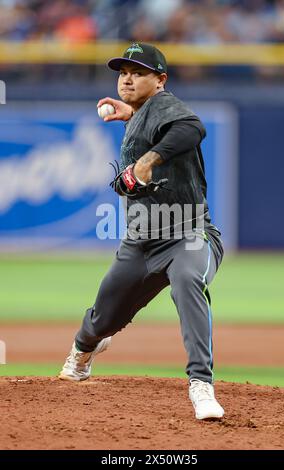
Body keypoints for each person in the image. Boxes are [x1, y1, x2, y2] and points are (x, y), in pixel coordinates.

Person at [59, 43, 225, 420]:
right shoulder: (143, 111)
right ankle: (83, 352)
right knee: (102, 318)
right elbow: (155, 124)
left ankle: (201, 384)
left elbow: (192, 128)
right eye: (122, 72)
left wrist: (148, 160)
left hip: (188, 234)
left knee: (187, 281)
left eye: (138, 71)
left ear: (161, 79)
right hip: (139, 244)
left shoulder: (167, 107)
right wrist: (132, 114)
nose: (128, 78)